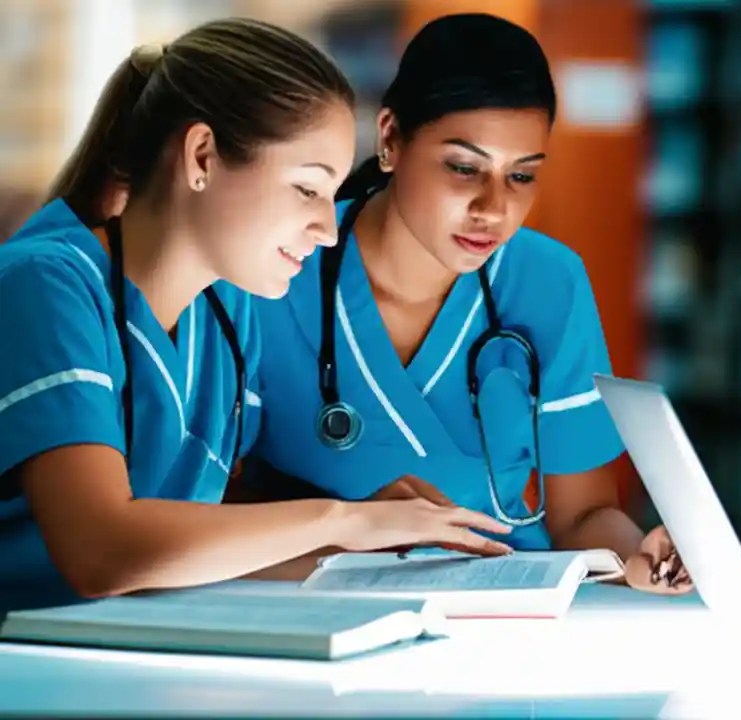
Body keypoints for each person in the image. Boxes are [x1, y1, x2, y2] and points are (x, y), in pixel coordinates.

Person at [0, 18, 512, 609]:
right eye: (307, 189)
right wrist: (340, 521)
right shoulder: (46, 287)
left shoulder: (225, 312)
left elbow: (197, 529)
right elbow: (103, 550)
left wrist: (365, 546)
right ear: (202, 157)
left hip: (112, 657)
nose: (326, 231)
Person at [237, 14, 689, 594]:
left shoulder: (548, 282)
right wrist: (339, 531)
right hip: (307, 607)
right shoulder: (277, 271)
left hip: (501, 618)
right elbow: (206, 504)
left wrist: (637, 556)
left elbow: (582, 517)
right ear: (391, 139)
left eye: (522, 176)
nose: (493, 208)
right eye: (463, 167)